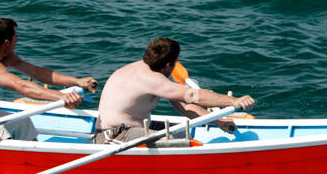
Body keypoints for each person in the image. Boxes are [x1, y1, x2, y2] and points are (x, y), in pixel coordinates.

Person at [95, 37, 254, 144]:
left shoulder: (151, 72)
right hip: (112, 137)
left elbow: (185, 105)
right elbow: (193, 96)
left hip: (134, 129)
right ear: (167, 65)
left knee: (183, 133)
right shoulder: (151, 79)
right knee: (171, 141)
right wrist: (234, 101)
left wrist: (217, 121)